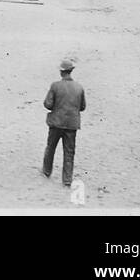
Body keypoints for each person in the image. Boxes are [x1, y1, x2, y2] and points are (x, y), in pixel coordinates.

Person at [42, 58, 86, 187]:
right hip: (71, 125)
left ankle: (46, 171)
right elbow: (82, 107)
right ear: (71, 71)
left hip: (56, 123)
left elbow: (48, 104)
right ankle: (67, 179)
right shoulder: (79, 87)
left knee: (50, 148)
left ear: (61, 72)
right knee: (69, 152)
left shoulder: (55, 86)